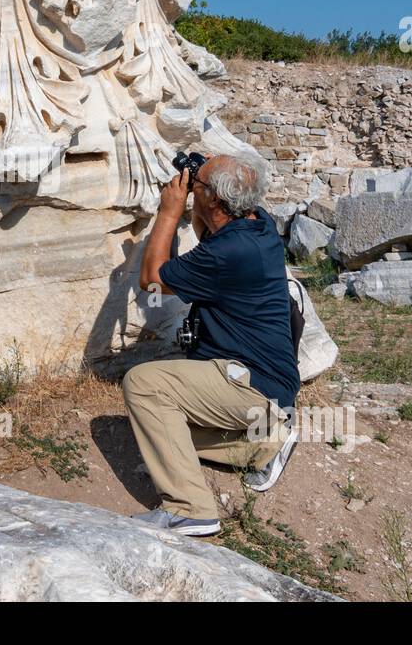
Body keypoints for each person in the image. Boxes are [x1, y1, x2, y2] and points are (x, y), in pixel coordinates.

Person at [123, 152, 301, 536]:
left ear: (216, 201)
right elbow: (211, 232)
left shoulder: (229, 253)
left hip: (249, 387)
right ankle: (265, 445)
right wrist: (200, 195)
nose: (191, 184)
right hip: (269, 384)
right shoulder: (259, 225)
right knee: (159, 432)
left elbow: (152, 280)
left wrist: (170, 211)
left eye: (197, 182)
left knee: (144, 386)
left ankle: (191, 509)